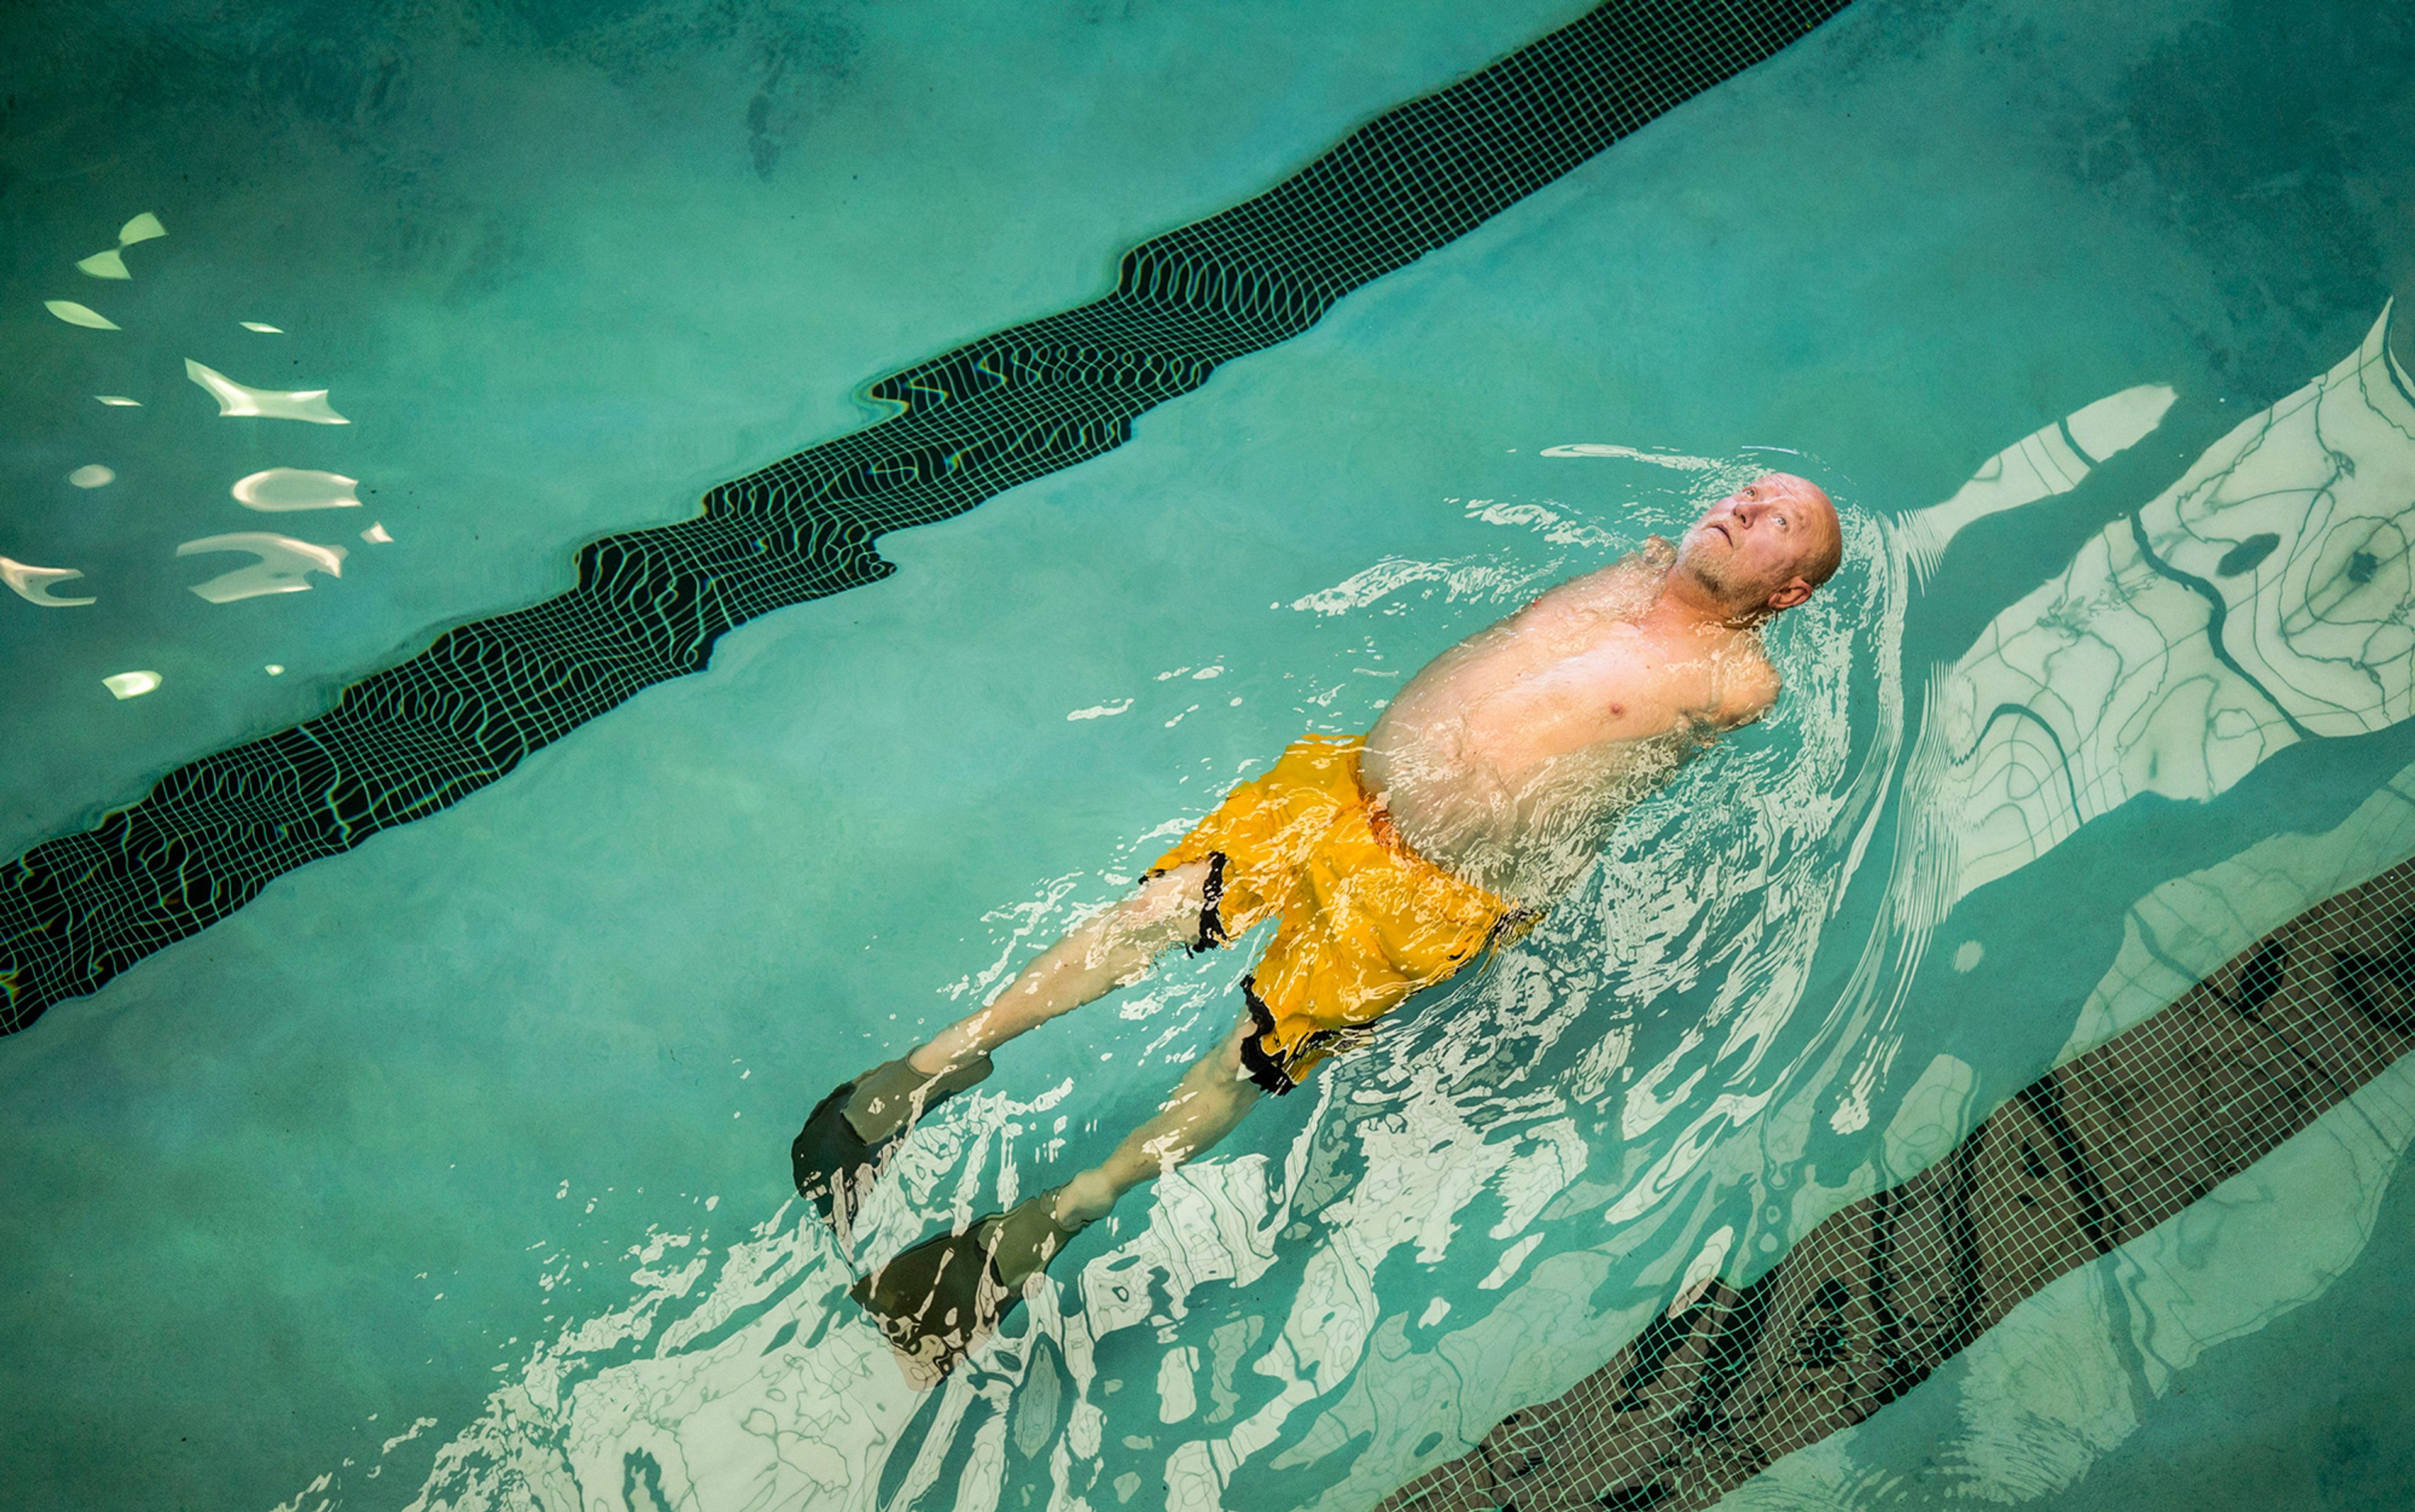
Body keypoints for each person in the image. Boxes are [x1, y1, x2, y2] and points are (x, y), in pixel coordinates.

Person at [794, 472, 1845, 1372]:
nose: (1748, 506)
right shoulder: (1629, 570)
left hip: (1428, 896)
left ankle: (1046, 1223)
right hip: (1339, 789)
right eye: (1750, 493)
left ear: (1789, 590)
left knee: (1245, 1059)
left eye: (1778, 521)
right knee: (1151, 912)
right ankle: (928, 1069)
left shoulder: (1737, 681)